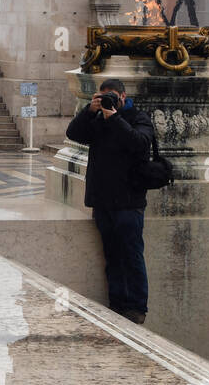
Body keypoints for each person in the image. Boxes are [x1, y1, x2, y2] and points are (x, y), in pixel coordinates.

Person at [65, 78, 155, 324]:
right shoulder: (96, 120)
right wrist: (89, 111)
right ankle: (117, 303)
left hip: (129, 200)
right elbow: (73, 134)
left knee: (132, 255)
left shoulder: (138, 117)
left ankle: (137, 307)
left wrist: (114, 118)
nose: (108, 101)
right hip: (103, 199)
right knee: (112, 255)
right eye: (103, 97)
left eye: (113, 97)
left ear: (123, 97)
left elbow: (140, 143)